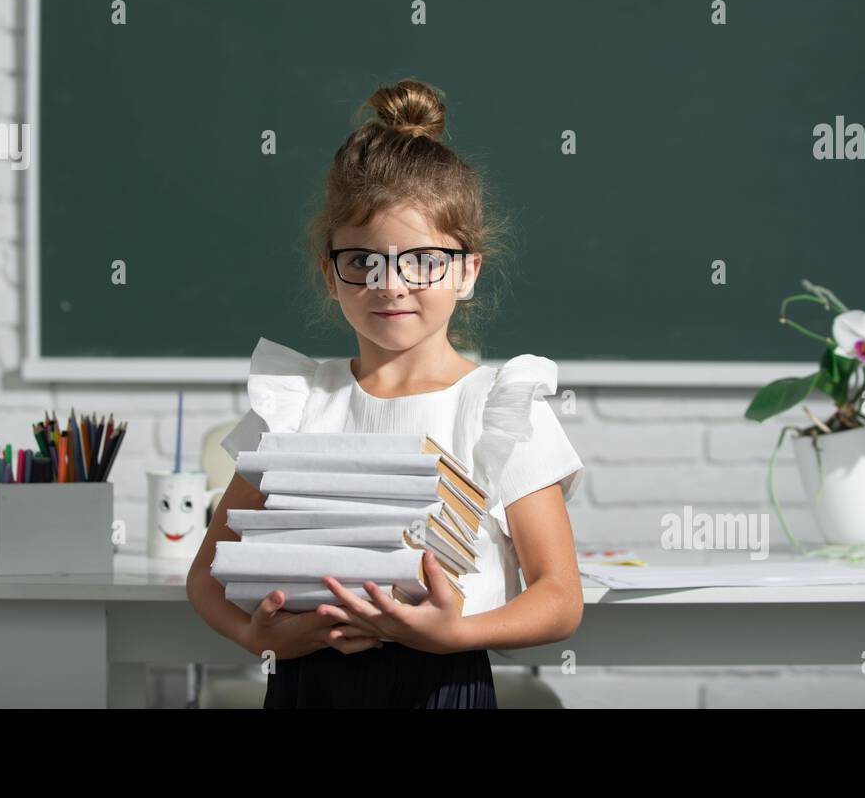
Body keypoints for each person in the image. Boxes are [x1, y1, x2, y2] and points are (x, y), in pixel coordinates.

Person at [187, 78, 586, 708]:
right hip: (307, 685)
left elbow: (559, 597)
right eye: (364, 262)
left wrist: (458, 632)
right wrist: (259, 637)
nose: (391, 284)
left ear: (467, 272)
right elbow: (207, 576)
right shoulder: (296, 402)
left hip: (442, 685)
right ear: (331, 274)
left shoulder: (499, 409)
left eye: (423, 260)